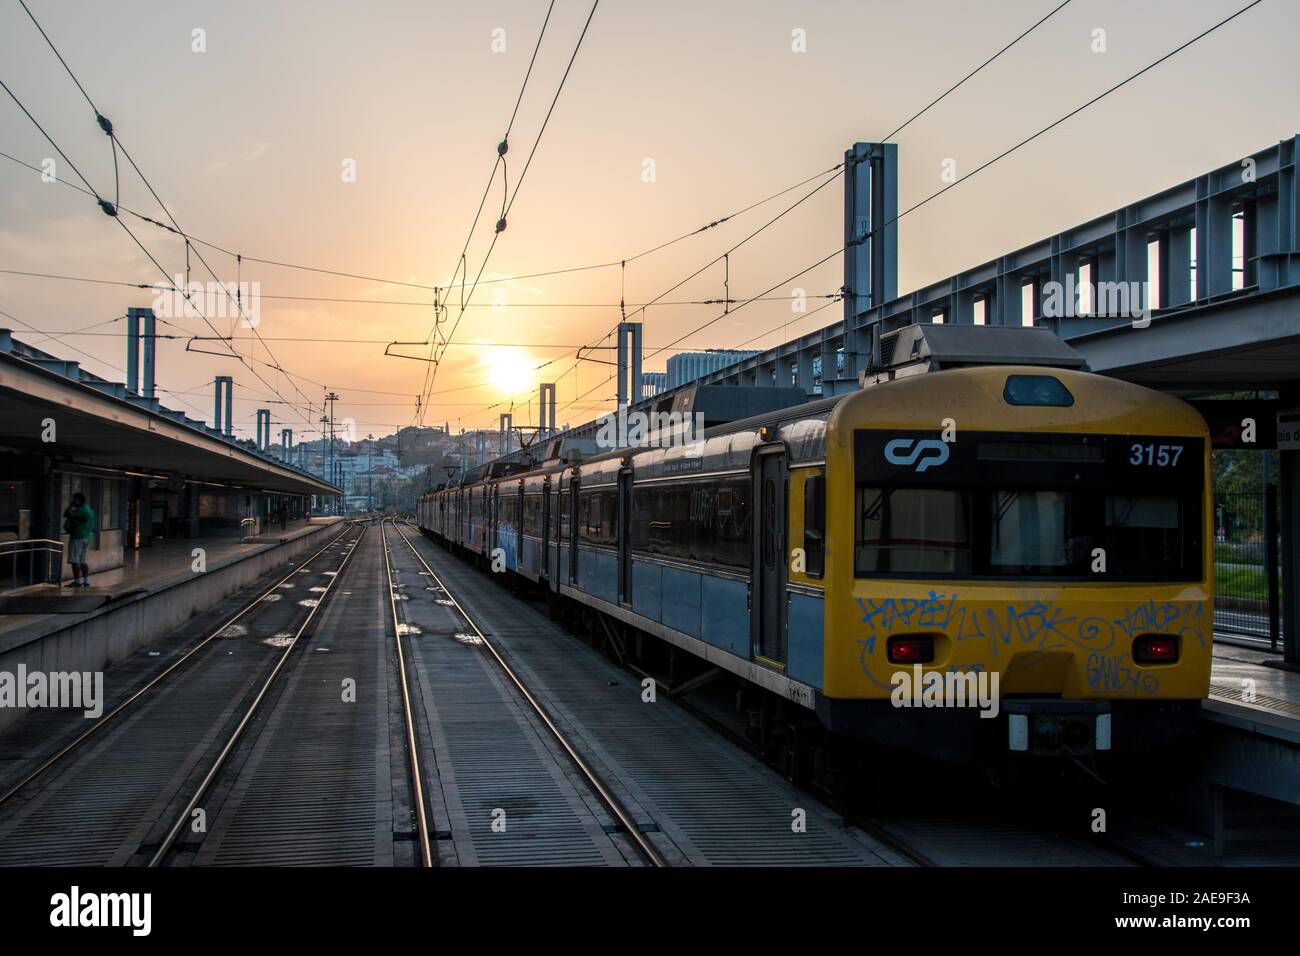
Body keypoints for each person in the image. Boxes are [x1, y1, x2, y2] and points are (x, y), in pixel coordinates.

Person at [62, 492, 95, 588]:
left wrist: (70, 505)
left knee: (74, 560)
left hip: (77, 537)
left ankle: (77, 582)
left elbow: (65, 514)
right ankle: (86, 581)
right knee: (83, 560)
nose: (73, 501)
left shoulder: (81, 510)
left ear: (79, 500)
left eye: (74, 500)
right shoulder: (90, 511)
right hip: (86, 537)